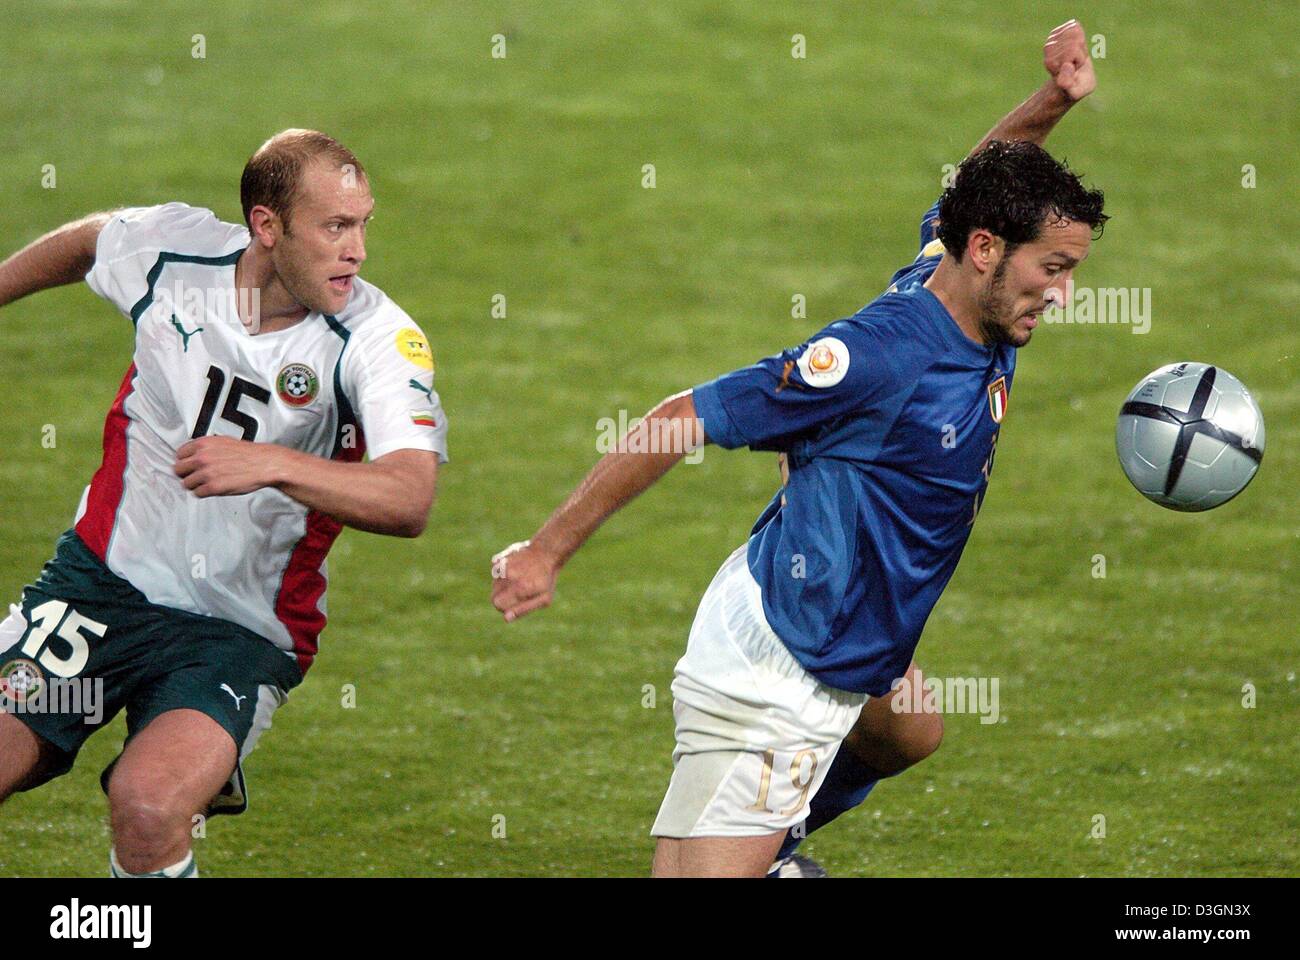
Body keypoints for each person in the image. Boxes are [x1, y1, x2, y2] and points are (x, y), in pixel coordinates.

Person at [491, 21, 1107, 876]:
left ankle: (772, 848)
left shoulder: (977, 292)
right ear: (986, 251)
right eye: (1057, 267)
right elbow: (684, 414)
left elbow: (982, 177)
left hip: (853, 646)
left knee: (909, 728)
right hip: (781, 664)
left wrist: (1055, 101)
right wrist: (546, 551)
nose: (1065, 295)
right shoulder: (881, 353)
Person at [0, 129, 448, 877]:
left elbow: (411, 497)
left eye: (365, 223)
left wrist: (273, 463)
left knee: (147, 808)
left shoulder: (376, 340)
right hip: (96, 588)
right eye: (336, 226)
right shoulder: (171, 255)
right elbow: (87, 242)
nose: (358, 250)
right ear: (267, 225)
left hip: (236, 629)